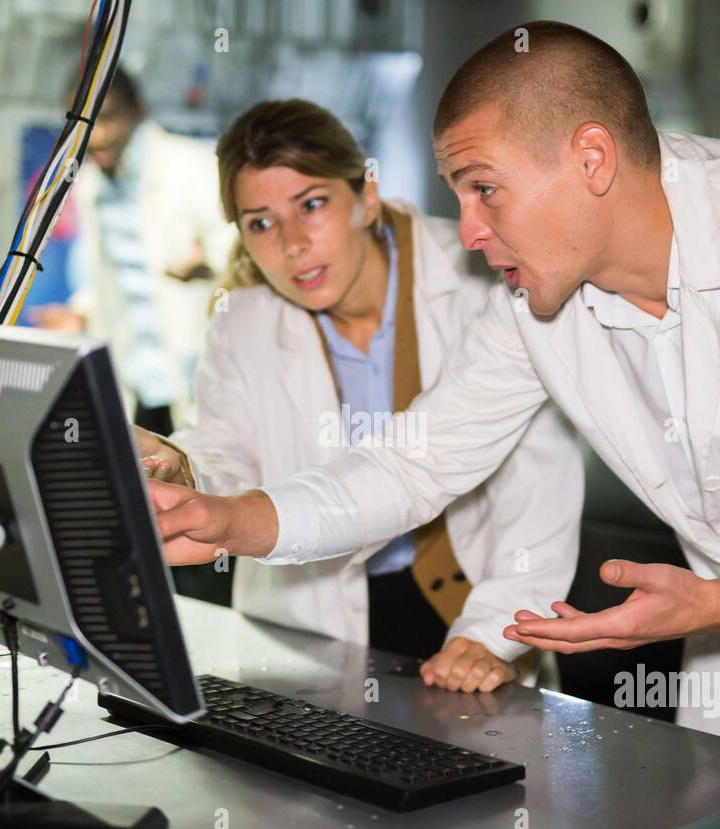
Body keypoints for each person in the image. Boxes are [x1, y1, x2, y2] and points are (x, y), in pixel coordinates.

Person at [146, 22, 720, 829]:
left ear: (592, 158)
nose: (471, 231)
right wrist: (232, 517)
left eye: (484, 188)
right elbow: (415, 461)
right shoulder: (534, 308)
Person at [135, 100, 582, 691]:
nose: (292, 244)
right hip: (308, 625)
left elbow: (540, 487)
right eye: (261, 223)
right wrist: (185, 470)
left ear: (366, 195)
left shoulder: (482, 276)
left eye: (312, 205)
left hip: (465, 610)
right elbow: (227, 452)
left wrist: (492, 632)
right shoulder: (241, 320)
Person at [35, 67, 237, 434]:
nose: (96, 137)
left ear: (137, 110)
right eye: (84, 124)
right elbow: (99, 277)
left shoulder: (193, 165)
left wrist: (206, 266)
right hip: (135, 381)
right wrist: (79, 313)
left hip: (196, 375)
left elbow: (244, 259)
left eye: (108, 117)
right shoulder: (92, 184)